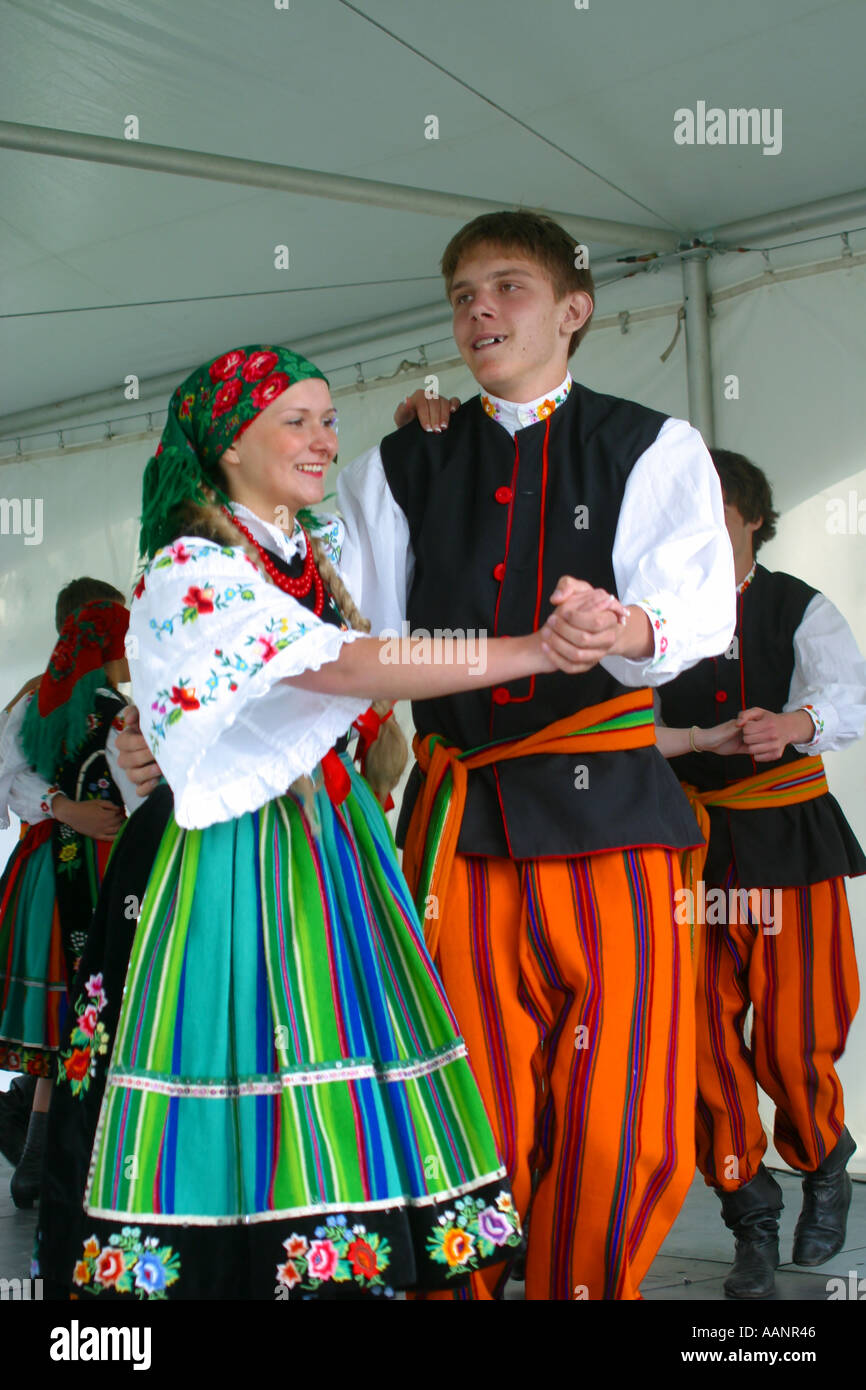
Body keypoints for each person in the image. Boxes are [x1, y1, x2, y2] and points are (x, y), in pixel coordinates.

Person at [58, 342, 597, 1302]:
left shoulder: (317, 550)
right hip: (228, 856)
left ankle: (340, 1266)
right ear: (229, 444)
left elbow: (394, 555)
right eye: (294, 421)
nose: (320, 439)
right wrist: (536, 652)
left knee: (342, 1041)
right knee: (240, 1047)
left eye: (328, 417)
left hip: (332, 839)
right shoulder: (193, 569)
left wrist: (430, 426)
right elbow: (348, 667)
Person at [323, 210, 736, 1300]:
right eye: (461, 293)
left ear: (572, 309)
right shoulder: (394, 464)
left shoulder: (650, 444)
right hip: (455, 827)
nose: (479, 310)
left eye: (507, 286)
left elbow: (694, 609)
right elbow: (358, 635)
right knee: (461, 1098)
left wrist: (626, 628)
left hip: (613, 823)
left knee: (625, 1110)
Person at [656, 448, 865, 1300]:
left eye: (717, 512)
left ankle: (822, 1161)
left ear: (751, 519)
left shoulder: (794, 605)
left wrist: (797, 721)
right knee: (700, 1037)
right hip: (690, 844)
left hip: (787, 833)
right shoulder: (655, 618)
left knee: (795, 1029)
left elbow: (851, 696)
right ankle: (749, 1211)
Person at [0, 581, 133, 1206]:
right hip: (63, 872)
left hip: (108, 867)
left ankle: (66, 1154)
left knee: (99, 1009)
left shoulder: (120, 709)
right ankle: (41, 1154)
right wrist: (62, 808)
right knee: (74, 1008)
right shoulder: (39, 704)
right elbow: (5, 776)